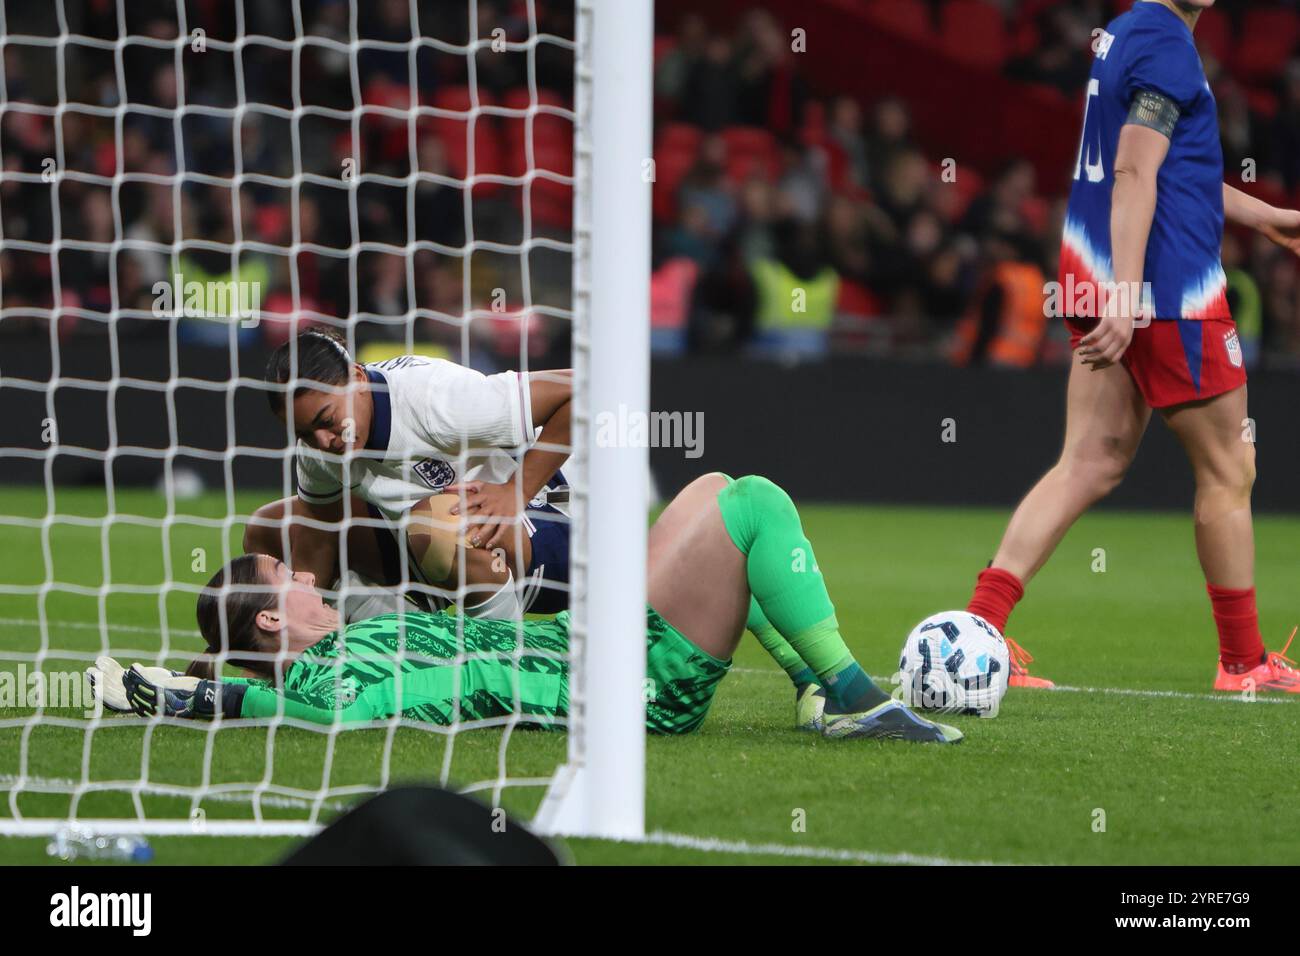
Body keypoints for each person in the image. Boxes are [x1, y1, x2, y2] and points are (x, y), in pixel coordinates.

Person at [964, 0, 1300, 692]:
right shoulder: (1168, 47)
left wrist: (1263, 216)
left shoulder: (1122, 35)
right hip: (1166, 290)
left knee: (1087, 462)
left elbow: (1167, 168)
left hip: (1095, 271)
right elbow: (1132, 174)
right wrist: (1127, 293)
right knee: (1229, 468)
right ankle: (1243, 663)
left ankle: (977, 633)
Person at [114, 474, 964, 743]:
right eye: (285, 578)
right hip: (629, 685)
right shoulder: (331, 676)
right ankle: (851, 694)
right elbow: (322, 713)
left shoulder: (363, 629)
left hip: (592, 640)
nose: (307, 580)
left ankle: (817, 692)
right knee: (750, 507)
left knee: (711, 489)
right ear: (271, 619)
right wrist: (204, 697)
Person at [245, 328, 573, 620]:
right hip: (425, 543)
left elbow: (578, 391)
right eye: (304, 433)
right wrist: (296, 617)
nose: (322, 441)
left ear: (358, 378)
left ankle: (500, 664)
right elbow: (317, 536)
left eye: (327, 420)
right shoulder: (319, 450)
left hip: (552, 528)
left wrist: (516, 491)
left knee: (433, 525)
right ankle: (402, 639)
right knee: (272, 528)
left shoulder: (434, 397)